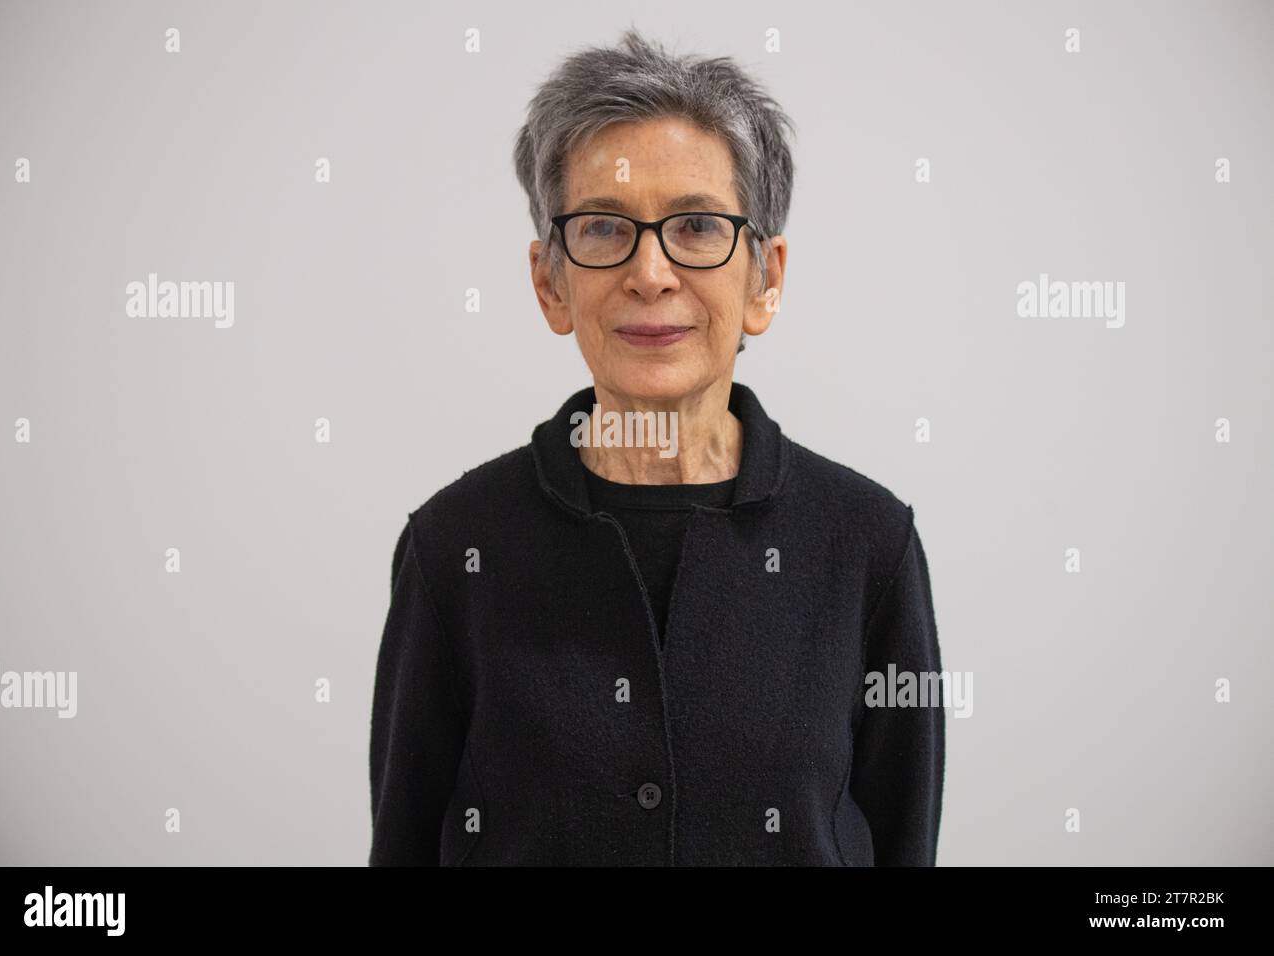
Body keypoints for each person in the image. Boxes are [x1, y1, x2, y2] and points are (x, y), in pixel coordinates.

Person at [369, 27, 945, 866]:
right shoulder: (454, 548)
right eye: (604, 229)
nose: (651, 272)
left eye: (697, 226)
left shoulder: (867, 543)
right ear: (550, 282)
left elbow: (904, 842)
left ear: (765, 278)